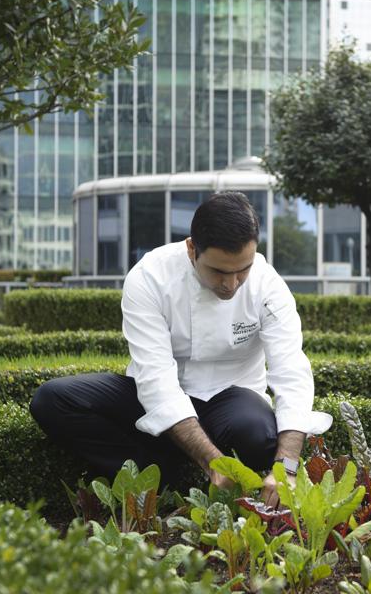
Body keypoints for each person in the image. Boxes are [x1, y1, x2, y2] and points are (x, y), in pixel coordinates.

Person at [30, 191, 331, 506]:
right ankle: (156, 474)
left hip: (232, 402)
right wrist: (212, 462)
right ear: (191, 249)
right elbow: (156, 379)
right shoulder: (150, 277)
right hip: (152, 400)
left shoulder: (268, 285)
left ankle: (172, 468)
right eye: (219, 271)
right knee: (53, 400)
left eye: (243, 269)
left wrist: (286, 468)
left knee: (259, 435)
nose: (231, 284)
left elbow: (291, 373)